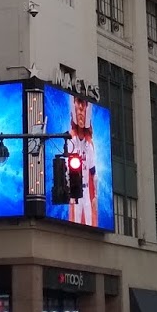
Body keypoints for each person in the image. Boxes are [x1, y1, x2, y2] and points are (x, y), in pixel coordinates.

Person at [66, 95, 99, 225]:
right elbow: (67, 170)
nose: (81, 111)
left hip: (86, 190)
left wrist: (95, 196)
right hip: (75, 188)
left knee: (90, 222)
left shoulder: (89, 144)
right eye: (78, 107)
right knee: (75, 221)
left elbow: (94, 172)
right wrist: (69, 192)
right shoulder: (70, 139)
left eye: (83, 107)